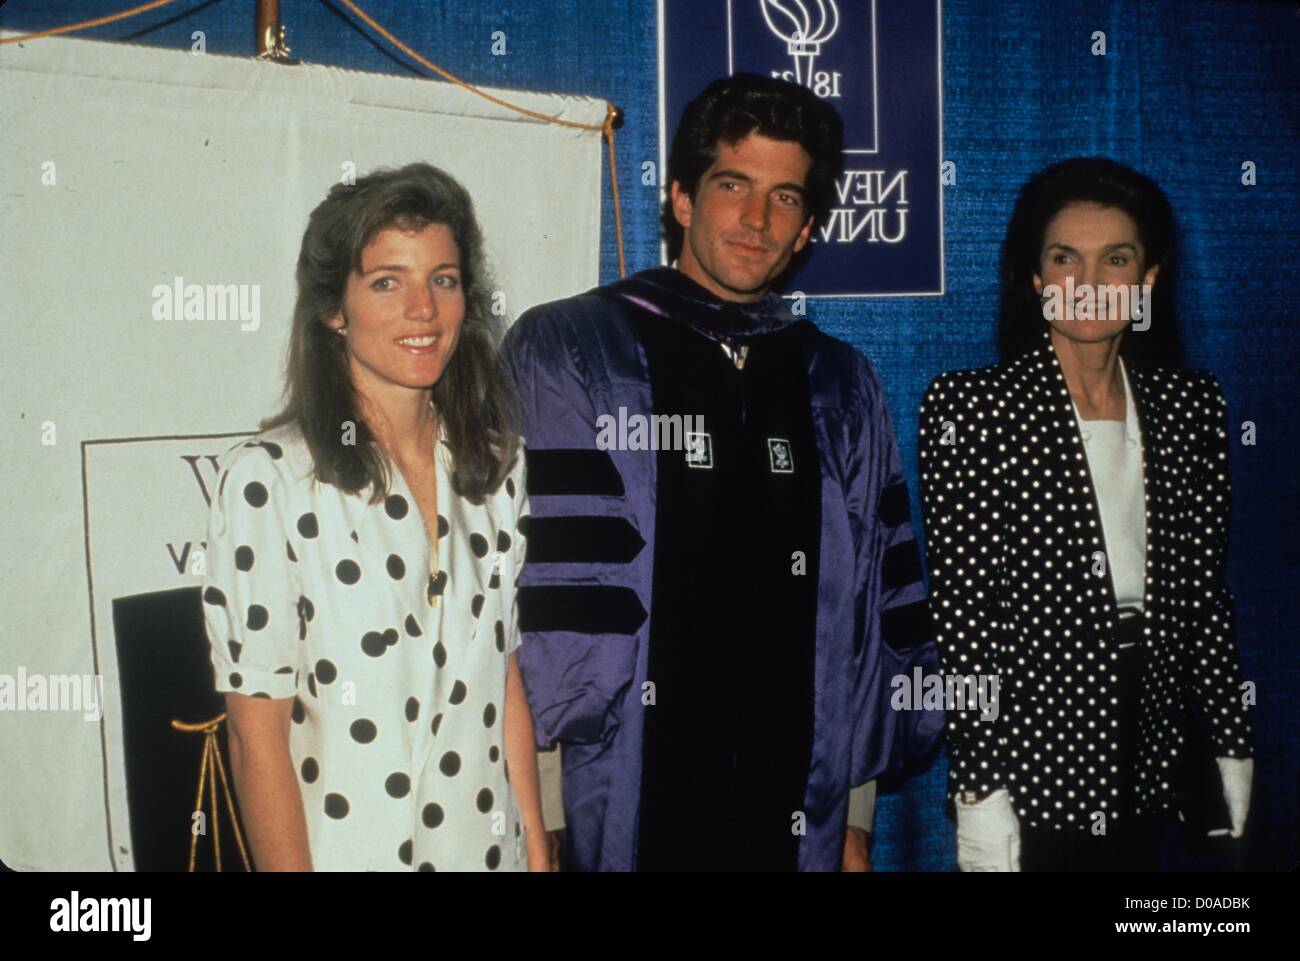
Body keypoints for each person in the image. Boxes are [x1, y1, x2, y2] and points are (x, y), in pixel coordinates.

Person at [502, 73, 943, 872]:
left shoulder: (839, 382)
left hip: (798, 809)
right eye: (732, 184)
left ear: (808, 228)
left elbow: (873, 613)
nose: (755, 219)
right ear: (679, 196)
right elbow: (546, 595)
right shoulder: (572, 349)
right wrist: (547, 818)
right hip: (623, 796)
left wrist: (854, 816)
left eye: (785, 198)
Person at [201, 162, 548, 871]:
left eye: (443, 279)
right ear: (335, 308)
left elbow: (503, 679)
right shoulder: (270, 483)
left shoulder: (498, 470)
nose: (423, 309)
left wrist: (537, 849)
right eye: (388, 281)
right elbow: (254, 737)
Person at [918, 157, 1254, 872]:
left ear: (1148, 280)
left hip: (1154, 748)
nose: (1091, 287)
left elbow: (1205, 595)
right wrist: (979, 788)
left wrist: (1230, 737)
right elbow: (963, 618)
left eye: (1117, 260)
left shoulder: (1192, 407)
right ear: (1036, 278)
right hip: (1034, 759)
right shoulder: (972, 409)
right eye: (1065, 259)